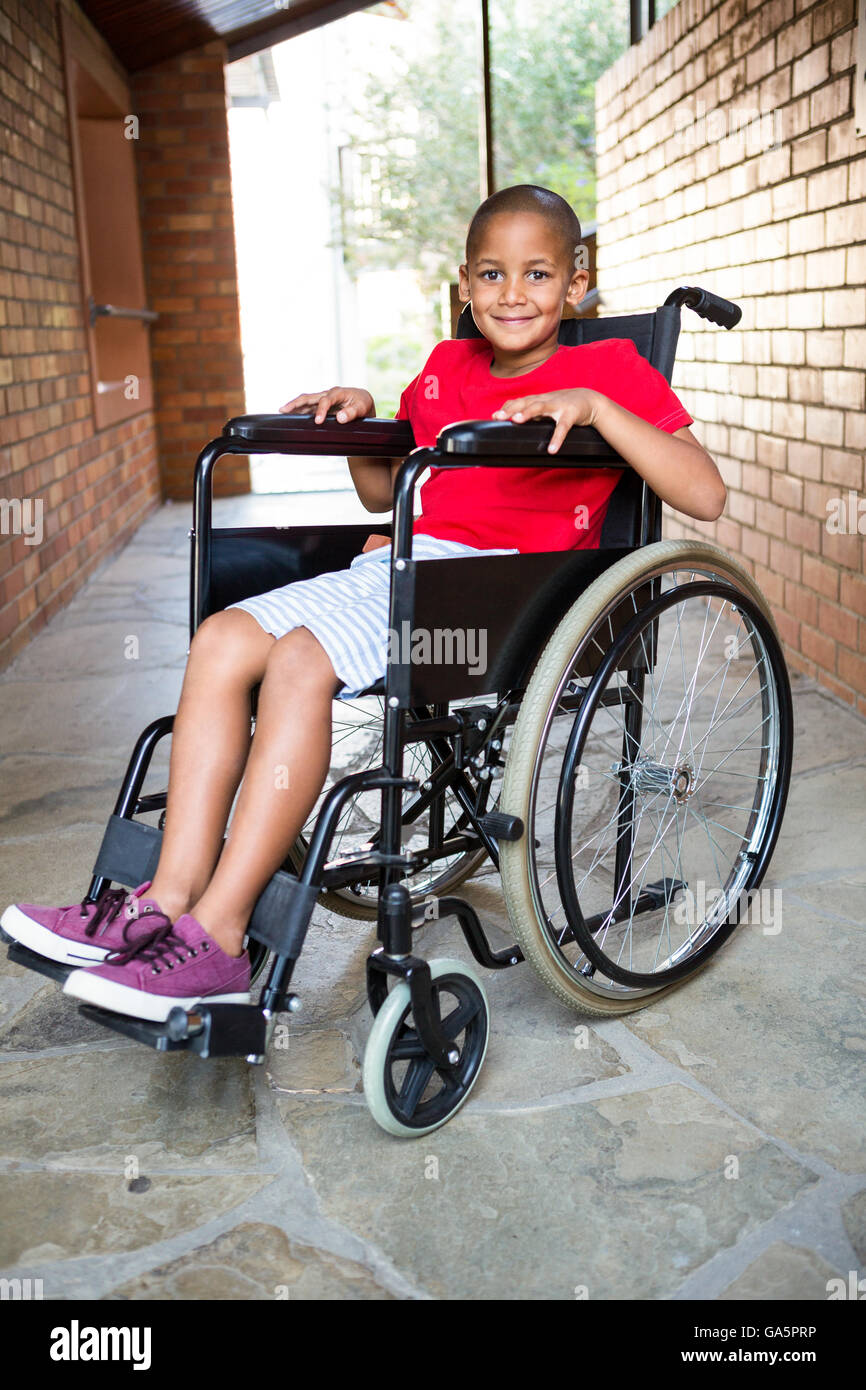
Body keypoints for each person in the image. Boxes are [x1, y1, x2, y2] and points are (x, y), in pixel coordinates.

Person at [1, 185, 726, 1022]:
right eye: (492, 274)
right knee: (223, 639)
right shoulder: (445, 367)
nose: (512, 294)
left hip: (506, 592)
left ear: (576, 284)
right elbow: (389, 491)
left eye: (536, 274)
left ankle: (221, 936)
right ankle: (162, 899)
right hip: (409, 563)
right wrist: (364, 421)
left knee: (303, 659)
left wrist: (599, 410)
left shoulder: (606, 370)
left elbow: (703, 494)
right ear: (464, 285)